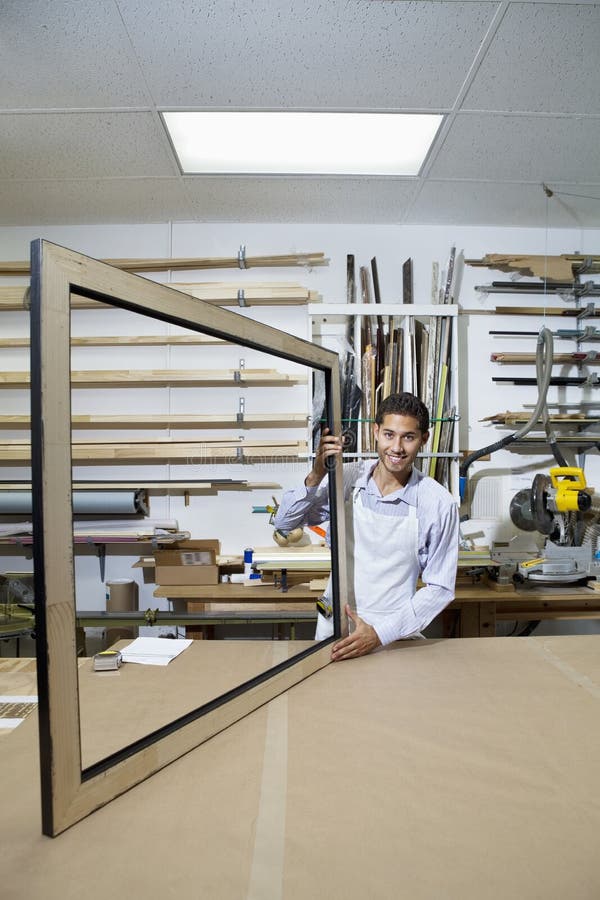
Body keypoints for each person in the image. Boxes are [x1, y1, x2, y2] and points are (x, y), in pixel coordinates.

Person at [273, 392, 459, 661]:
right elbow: (284, 523)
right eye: (389, 434)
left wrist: (379, 633)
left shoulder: (438, 503)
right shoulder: (348, 479)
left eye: (408, 437)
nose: (396, 447)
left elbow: (440, 588)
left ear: (424, 439)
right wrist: (316, 474)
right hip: (335, 625)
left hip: (393, 635)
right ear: (375, 431)